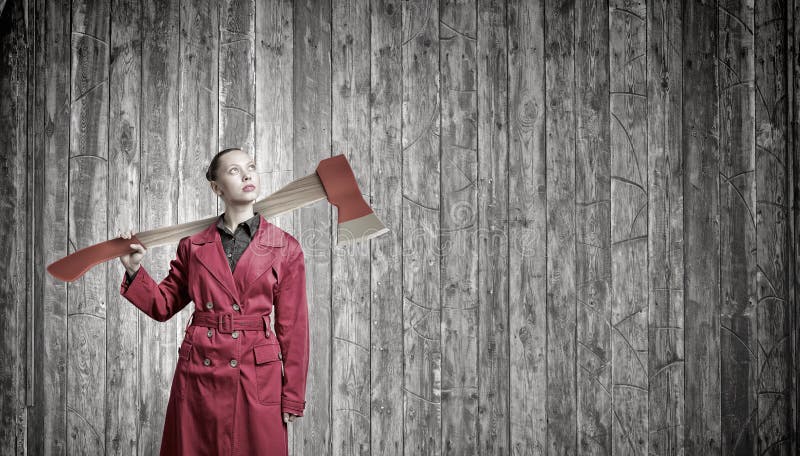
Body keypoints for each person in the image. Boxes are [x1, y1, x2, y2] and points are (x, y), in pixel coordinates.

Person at [118, 147, 309, 455]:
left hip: (256, 373)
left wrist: (293, 395)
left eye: (251, 167)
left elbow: (294, 329)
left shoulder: (286, 247)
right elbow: (163, 304)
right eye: (234, 170)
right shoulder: (193, 246)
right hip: (199, 370)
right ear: (217, 188)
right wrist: (133, 270)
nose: (246, 175)